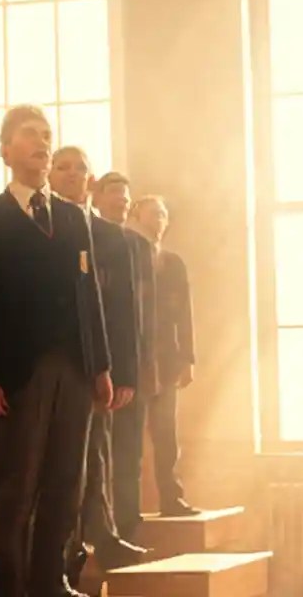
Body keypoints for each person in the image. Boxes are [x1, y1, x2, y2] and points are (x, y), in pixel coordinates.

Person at [0, 105, 113, 597]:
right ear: (5, 151)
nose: (42, 143)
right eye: (30, 135)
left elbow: (88, 294)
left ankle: (51, 581)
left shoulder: (72, 217)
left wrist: (102, 365)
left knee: (66, 483)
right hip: (15, 374)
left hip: (73, 369)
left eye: (47, 135)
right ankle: (7, 587)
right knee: (16, 487)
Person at [48, 148, 149, 584]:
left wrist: (124, 371)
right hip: (56, 361)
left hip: (102, 363)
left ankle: (103, 537)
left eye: (80, 169)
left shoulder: (113, 237)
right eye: (62, 168)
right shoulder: (41, 227)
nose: (72, 174)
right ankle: (63, 548)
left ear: (91, 180)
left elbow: (125, 310)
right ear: (50, 176)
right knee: (59, 460)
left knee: (98, 452)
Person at [90, 171, 155, 542]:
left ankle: (128, 523)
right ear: (97, 198)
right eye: (113, 193)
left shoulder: (138, 245)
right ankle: (101, 527)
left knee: (129, 449)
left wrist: (143, 363)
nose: (121, 200)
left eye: (125, 195)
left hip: (132, 359)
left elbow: (144, 311)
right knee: (99, 451)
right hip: (100, 360)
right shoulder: (87, 234)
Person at [128, 195, 200, 517]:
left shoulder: (173, 262)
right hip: (133, 361)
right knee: (129, 438)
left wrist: (188, 357)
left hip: (167, 360)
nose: (158, 220)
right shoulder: (127, 254)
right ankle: (126, 507)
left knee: (166, 434)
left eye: (162, 214)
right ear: (136, 216)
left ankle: (172, 497)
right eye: (152, 213)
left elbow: (184, 312)